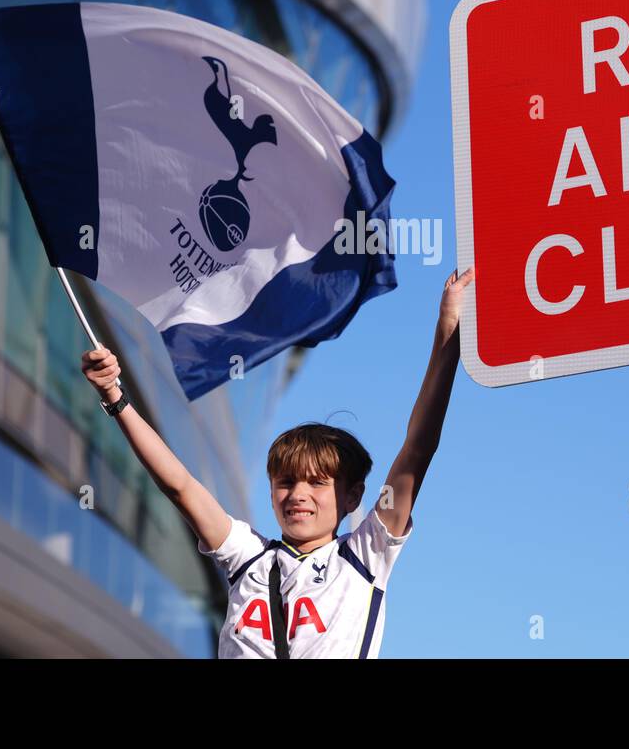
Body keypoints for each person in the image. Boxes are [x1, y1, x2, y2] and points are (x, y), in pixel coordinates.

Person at [80, 267, 475, 658]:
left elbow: (417, 450)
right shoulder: (246, 554)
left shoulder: (366, 554)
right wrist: (115, 397)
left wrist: (448, 334)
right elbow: (179, 485)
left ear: (353, 495)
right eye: (285, 482)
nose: (298, 494)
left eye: (317, 482)